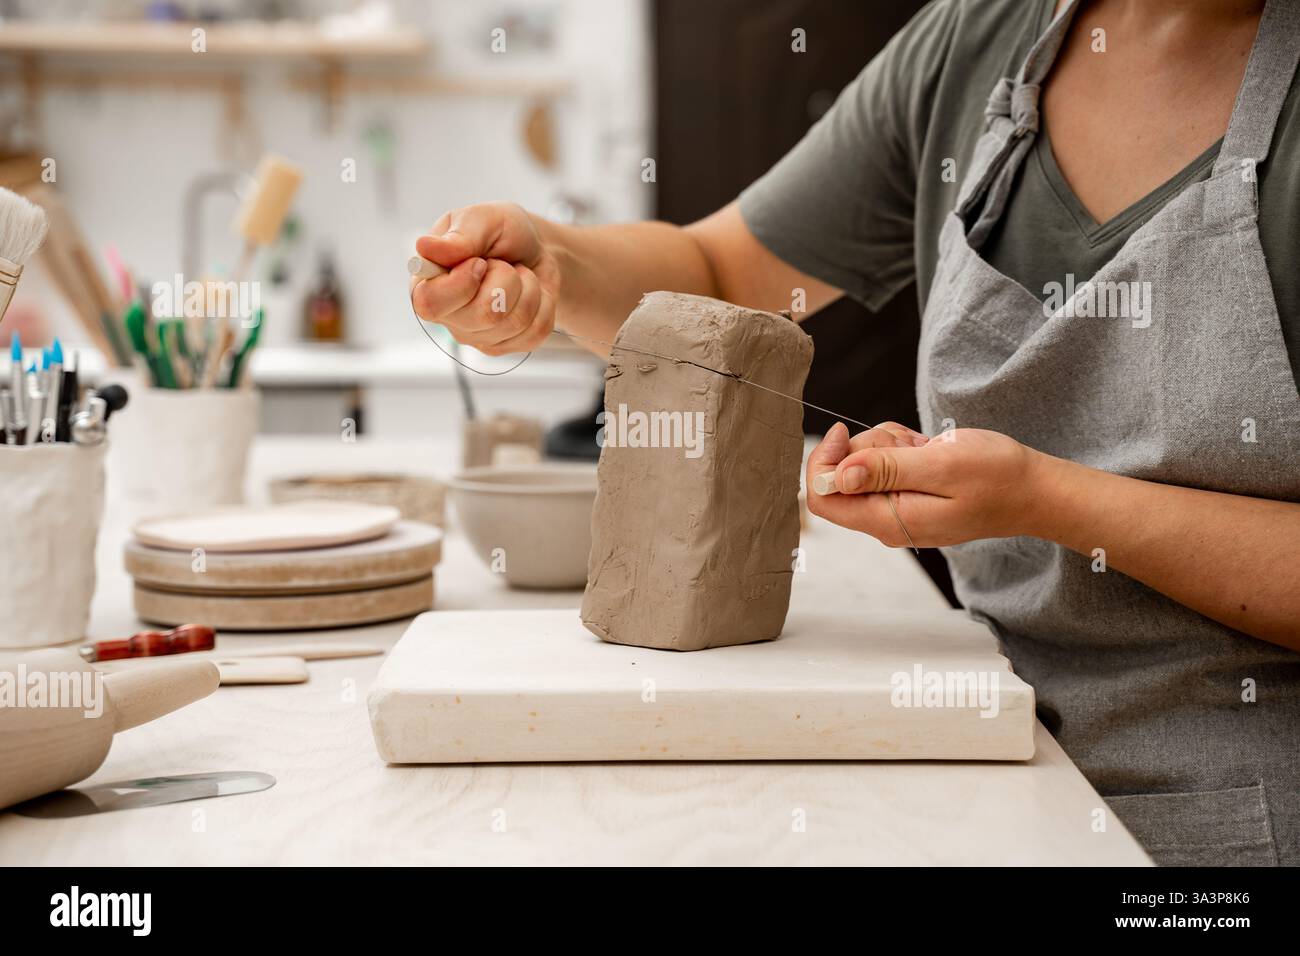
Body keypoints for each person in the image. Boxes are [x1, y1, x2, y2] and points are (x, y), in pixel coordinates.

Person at [410, 0, 1300, 866]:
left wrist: (1046, 500)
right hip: (983, 749)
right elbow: (721, 274)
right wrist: (553, 267)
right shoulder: (977, 37)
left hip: (1230, 819)